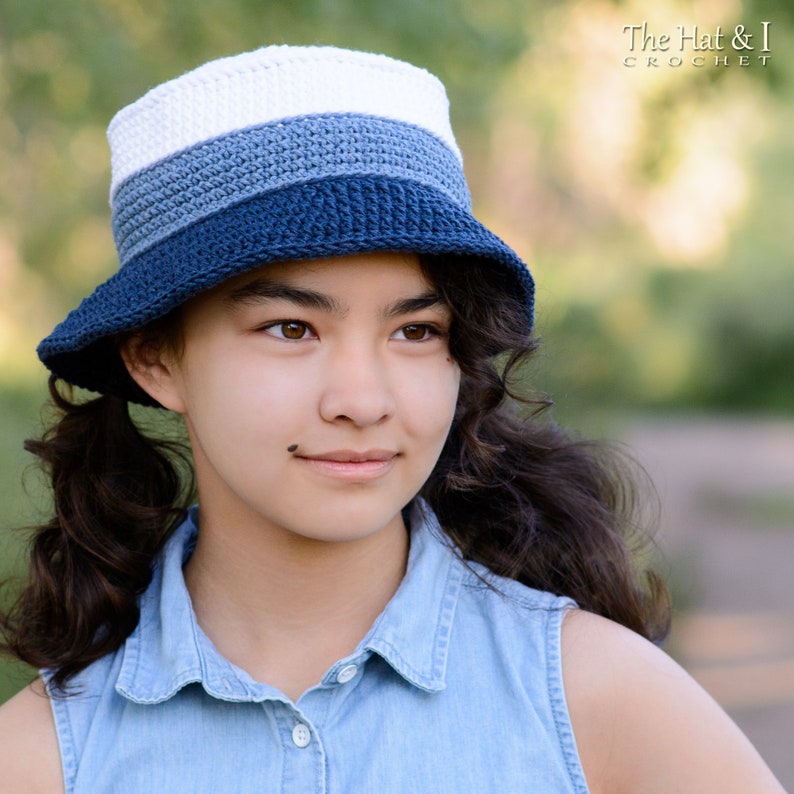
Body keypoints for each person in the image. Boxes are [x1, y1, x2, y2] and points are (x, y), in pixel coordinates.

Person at [0, 45, 784, 793]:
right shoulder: (44, 758)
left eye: (416, 331)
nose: (363, 399)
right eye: (291, 329)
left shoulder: (599, 700)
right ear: (156, 359)